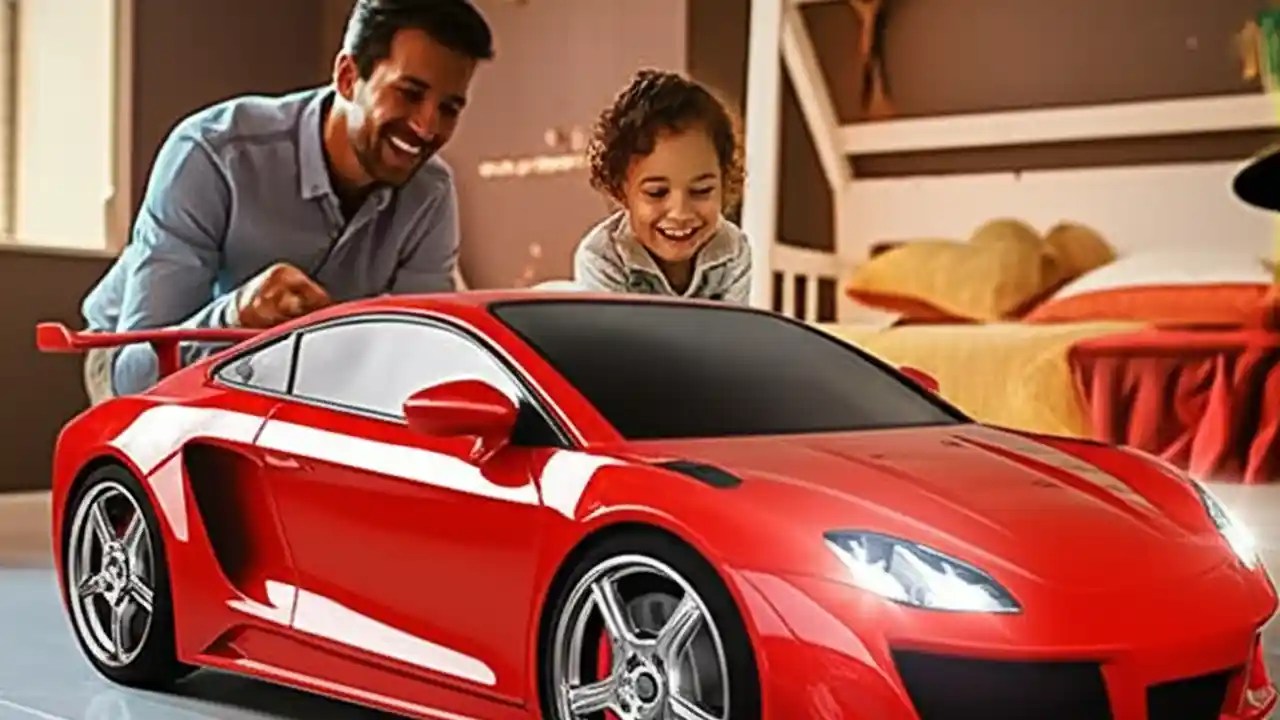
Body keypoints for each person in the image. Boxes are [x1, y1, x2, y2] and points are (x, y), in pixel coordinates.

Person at [79, 0, 494, 403]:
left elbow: (422, 352)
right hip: (137, 359)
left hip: (298, 369)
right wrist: (236, 314)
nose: (427, 126)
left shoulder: (431, 194)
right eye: (408, 93)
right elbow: (136, 377)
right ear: (348, 77)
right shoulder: (213, 152)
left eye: (449, 108)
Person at [572, 68, 753, 303]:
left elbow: (732, 336)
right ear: (621, 190)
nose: (680, 213)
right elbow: (611, 339)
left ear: (724, 179)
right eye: (656, 193)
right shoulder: (602, 259)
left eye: (701, 191)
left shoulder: (733, 252)